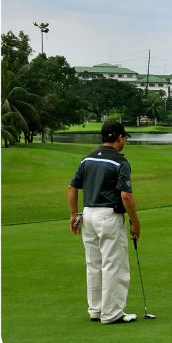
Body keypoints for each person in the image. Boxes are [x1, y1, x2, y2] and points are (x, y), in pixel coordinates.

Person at [67, 121, 141, 324]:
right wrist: (135, 222)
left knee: (94, 264)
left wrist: (73, 214)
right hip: (109, 216)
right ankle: (112, 313)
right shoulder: (120, 162)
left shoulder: (87, 158)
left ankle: (96, 309)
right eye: (124, 137)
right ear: (119, 137)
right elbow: (126, 195)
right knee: (113, 264)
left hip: (88, 215)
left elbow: (72, 187)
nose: (125, 141)